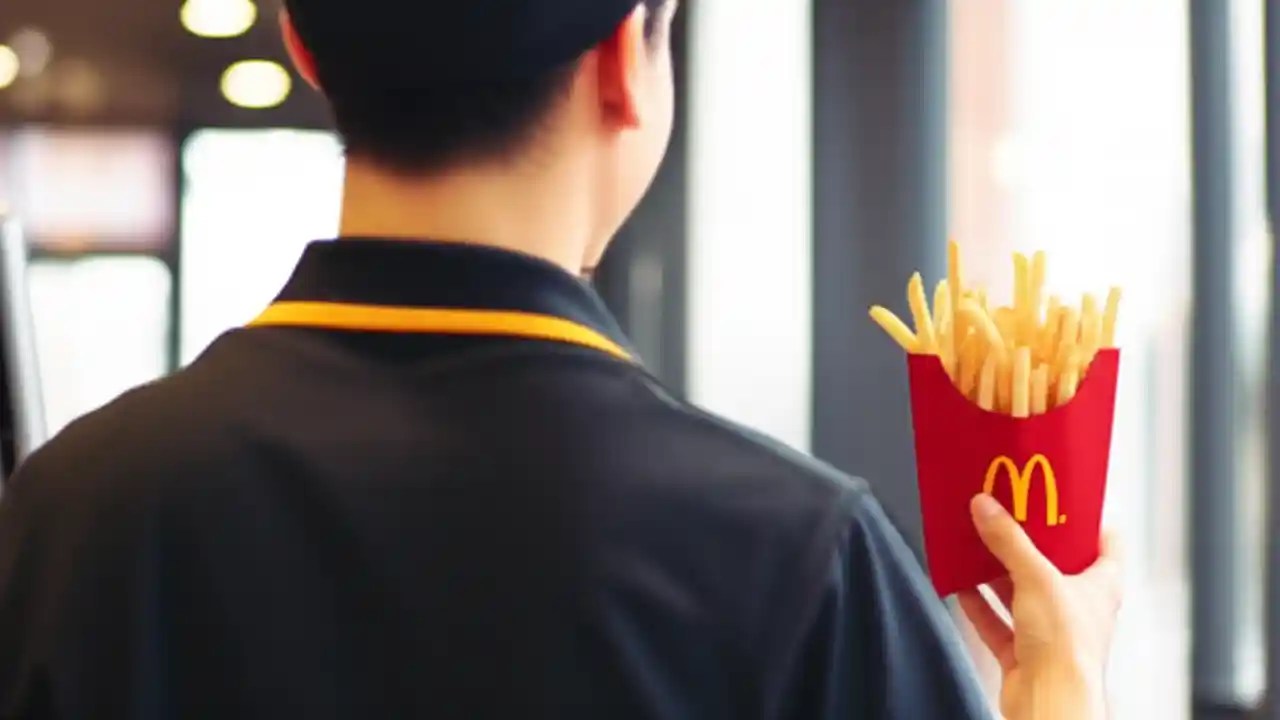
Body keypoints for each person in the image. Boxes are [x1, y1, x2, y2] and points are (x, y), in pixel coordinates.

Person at [0, 0, 1122, 717]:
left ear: (306, 47)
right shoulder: (798, 561)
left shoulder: (70, 512)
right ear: (624, 62)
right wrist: (1055, 697)